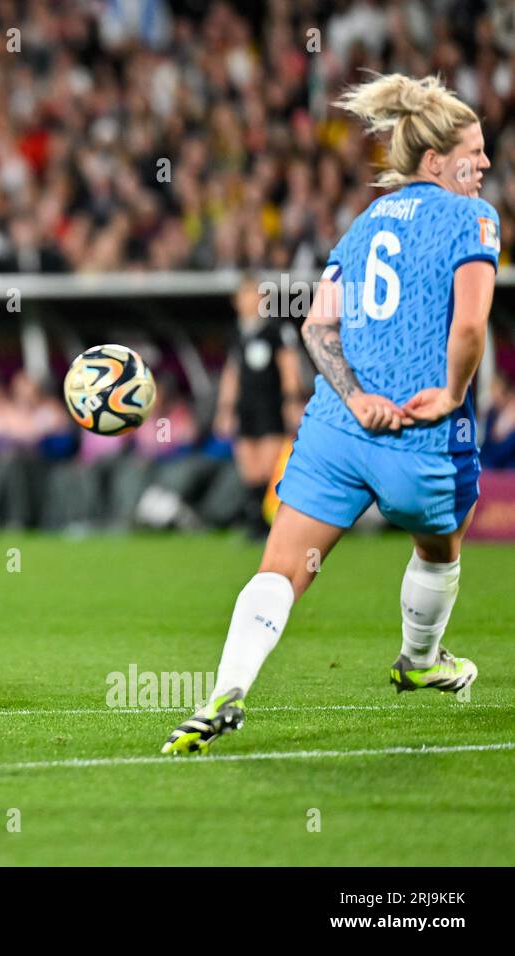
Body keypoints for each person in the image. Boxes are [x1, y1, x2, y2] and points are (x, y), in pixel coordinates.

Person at [163, 74, 497, 755]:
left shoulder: (366, 220)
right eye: (475, 152)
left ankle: (227, 689)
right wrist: (456, 393)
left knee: (280, 568)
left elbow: (318, 330)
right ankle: (420, 658)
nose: (485, 164)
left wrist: (354, 399)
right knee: (443, 541)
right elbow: (470, 326)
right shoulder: (475, 217)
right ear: (436, 162)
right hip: (420, 431)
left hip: (337, 431)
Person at [214, 275, 305, 537]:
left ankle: (275, 522)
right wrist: (225, 408)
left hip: (271, 406)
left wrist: (291, 401)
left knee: (269, 466)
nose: (250, 300)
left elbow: (288, 366)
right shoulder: (237, 333)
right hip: (246, 408)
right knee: (249, 469)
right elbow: (231, 373)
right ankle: (255, 522)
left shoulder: (276, 330)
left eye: (254, 294)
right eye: (244, 295)